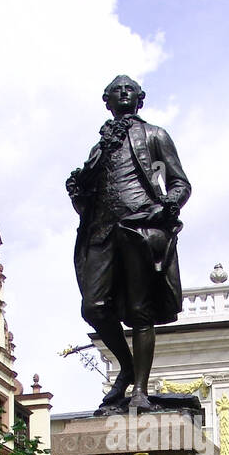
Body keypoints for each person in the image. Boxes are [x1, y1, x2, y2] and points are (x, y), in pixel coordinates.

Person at [67, 74, 191, 414]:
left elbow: (180, 183)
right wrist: (79, 190)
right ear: (107, 101)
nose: (123, 93)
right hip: (101, 230)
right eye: (115, 91)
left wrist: (166, 206)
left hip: (139, 226)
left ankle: (140, 390)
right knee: (92, 307)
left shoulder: (155, 135)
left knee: (140, 310)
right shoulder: (99, 148)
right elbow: (88, 199)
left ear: (140, 98)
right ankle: (126, 365)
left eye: (129, 89)